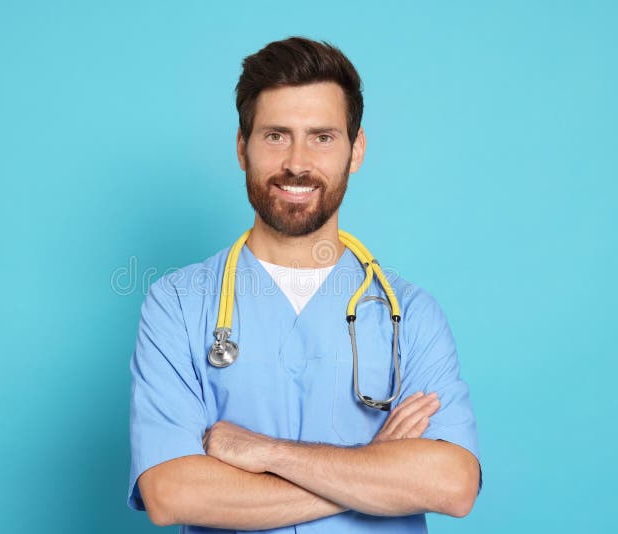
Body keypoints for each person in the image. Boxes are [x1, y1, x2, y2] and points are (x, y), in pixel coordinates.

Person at [128, 37, 481, 533]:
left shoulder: (412, 314)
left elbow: (451, 485)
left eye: (322, 137)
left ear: (355, 150)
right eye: (275, 135)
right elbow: (171, 493)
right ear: (241, 147)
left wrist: (267, 453)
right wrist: (372, 468)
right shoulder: (177, 306)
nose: (297, 162)